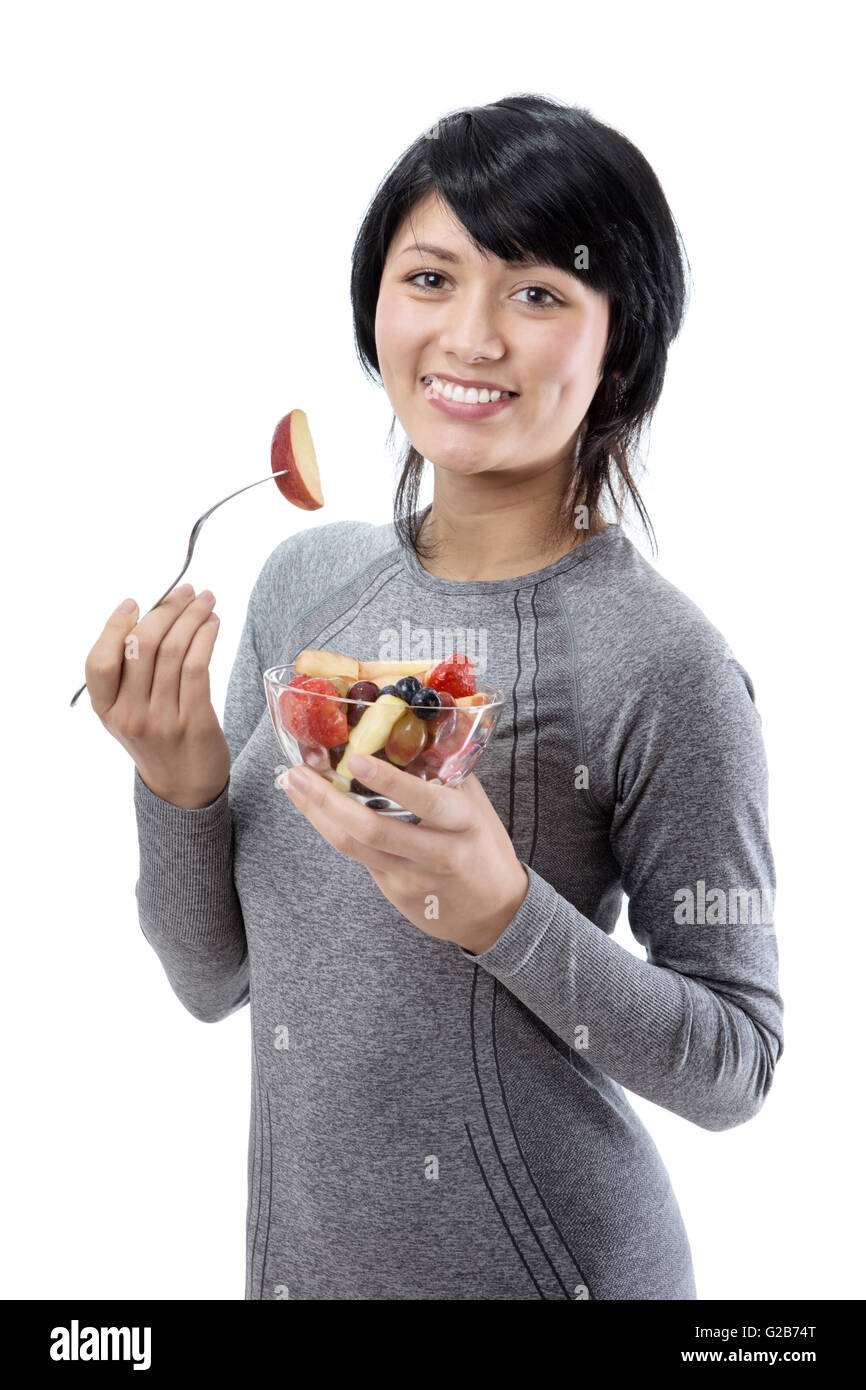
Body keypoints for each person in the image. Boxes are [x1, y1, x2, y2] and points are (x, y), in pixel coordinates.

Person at [85, 94, 783, 1300]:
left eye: (538, 293)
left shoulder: (665, 664)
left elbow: (736, 1062)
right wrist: (178, 784)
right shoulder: (305, 581)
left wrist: (502, 911)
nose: (470, 336)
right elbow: (212, 982)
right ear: (375, 306)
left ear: (617, 343)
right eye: (429, 278)